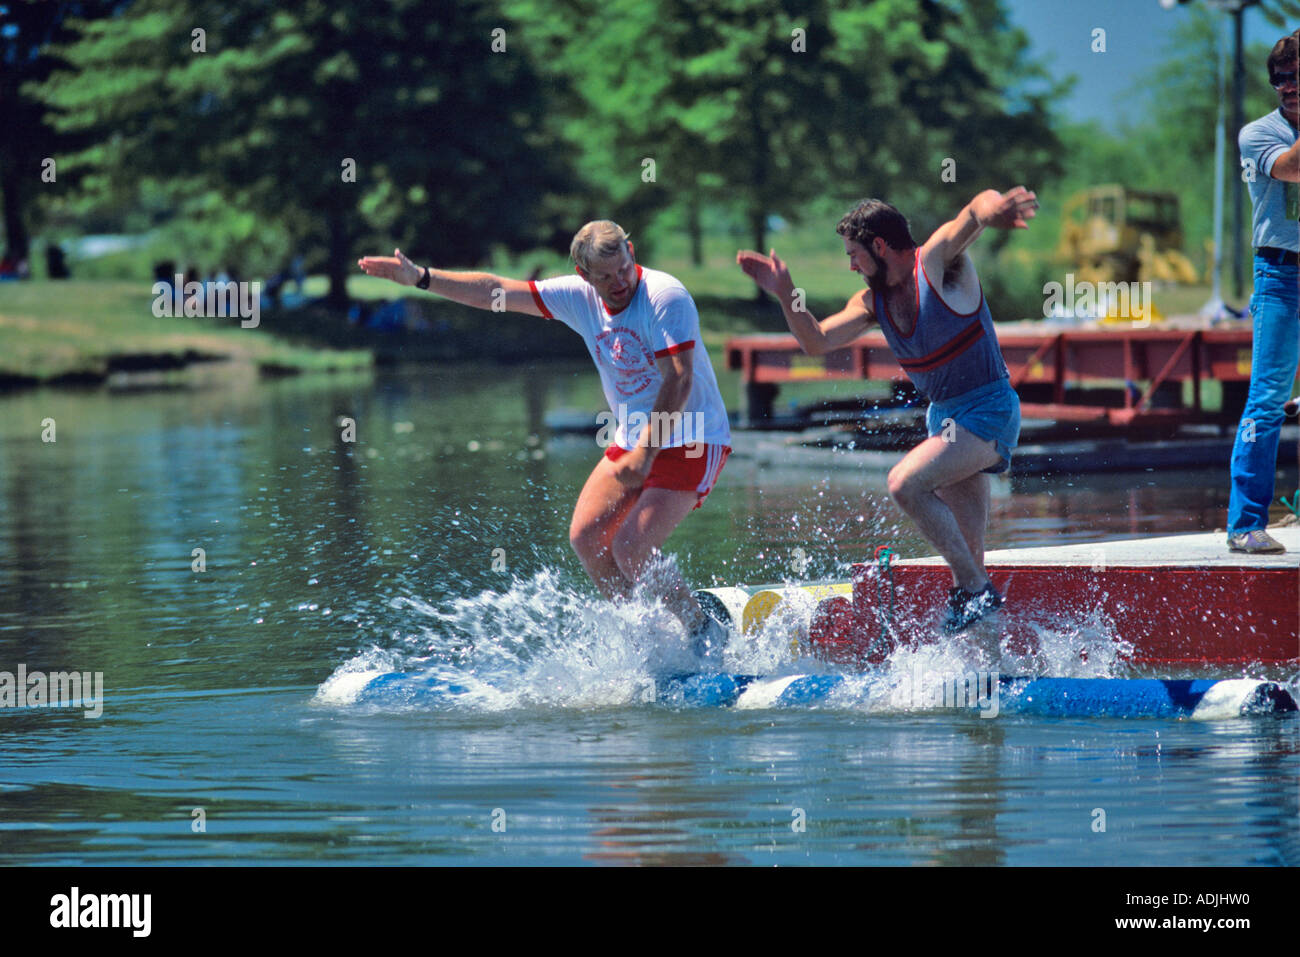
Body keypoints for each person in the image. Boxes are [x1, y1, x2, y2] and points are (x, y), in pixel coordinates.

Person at [359, 221, 732, 656]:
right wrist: (421, 277)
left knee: (631, 547)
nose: (619, 283)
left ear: (631, 252)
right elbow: (497, 291)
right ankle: (648, 640)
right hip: (636, 439)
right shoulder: (578, 298)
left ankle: (702, 629)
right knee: (588, 538)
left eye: (624, 268)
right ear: (583, 275)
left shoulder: (665, 297)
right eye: (605, 276)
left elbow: (681, 380)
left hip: (693, 435)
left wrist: (646, 454)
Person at [737, 188, 1036, 633]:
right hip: (945, 420)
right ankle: (989, 665)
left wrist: (995, 210)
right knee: (968, 556)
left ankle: (975, 590)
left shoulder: (936, 264)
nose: (851, 265)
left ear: (879, 246)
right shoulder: (870, 303)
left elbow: (973, 211)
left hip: (989, 409)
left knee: (904, 484)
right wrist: (786, 293)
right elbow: (816, 340)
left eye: (854, 255)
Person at [1228, 29, 1300, 554]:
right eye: (1282, 80)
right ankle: (1246, 522)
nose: (1289, 87)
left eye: (1297, 77)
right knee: (1268, 398)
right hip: (1282, 275)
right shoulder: (1257, 134)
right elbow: (1294, 168)